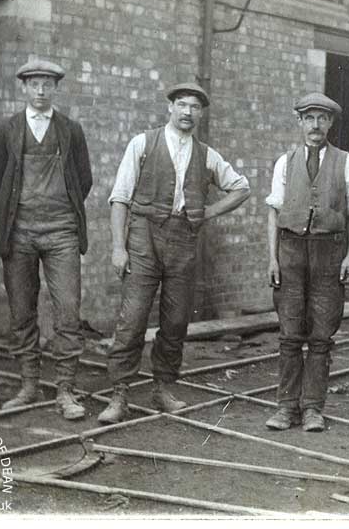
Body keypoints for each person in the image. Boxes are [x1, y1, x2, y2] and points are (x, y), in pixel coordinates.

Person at [98, 82, 250, 423]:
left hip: (184, 240)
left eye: (194, 107)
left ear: (200, 113)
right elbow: (120, 198)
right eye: (181, 105)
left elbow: (242, 188)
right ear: (170, 108)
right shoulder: (142, 143)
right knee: (133, 318)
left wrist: (207, 213)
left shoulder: (206, 154)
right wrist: (118, 247)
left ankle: (162, 387)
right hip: (143, 237)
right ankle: (119, 394)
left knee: (176, 320)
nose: (187, 112)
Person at [0, 59, 93, 420]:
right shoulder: (6, 129)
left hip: (62, 230)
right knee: (22, 311)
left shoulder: (70, 130)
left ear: (56, 87)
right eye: (35, 84)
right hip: (20, 232)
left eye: (48, 84)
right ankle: (29, 384)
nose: (41, 90)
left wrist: (58, 210)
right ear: (25, 87)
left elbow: (84, 180)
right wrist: (16, 214)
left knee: (67, 311)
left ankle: (65, 390)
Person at [264, 92, 349, 433]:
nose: (316, 125)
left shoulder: (347, 162)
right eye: (309, 118)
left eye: (322, 118)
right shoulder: (285, 161)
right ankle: (285, 407)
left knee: (322, 335)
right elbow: (274, 212)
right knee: (289, 334)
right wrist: (272, 258)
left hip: (329, 253)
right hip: (291, 252)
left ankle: (312, 409)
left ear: (330, 123)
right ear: (300, 122)